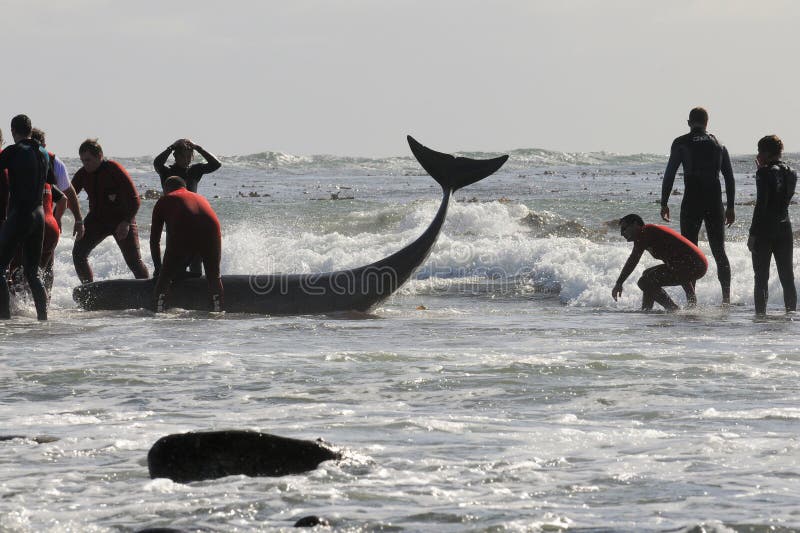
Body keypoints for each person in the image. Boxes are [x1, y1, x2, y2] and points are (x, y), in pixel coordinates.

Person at [660, 107, 734, 304]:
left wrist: (664, 202)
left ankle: (692, 301)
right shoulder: (719, 143)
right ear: (707, 122)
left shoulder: (681, 143)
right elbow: (729, 177)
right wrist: (731, 207)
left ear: (689, 122)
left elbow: (670, 173)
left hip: (692, 201)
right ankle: (726, 299)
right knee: (719, 251)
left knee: (689, 253)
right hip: (714, 200)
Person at [0, 115, 60, 320]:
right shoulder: (43, 152)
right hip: (39, 216)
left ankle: (4, 319)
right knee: (33, 272)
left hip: (20, 214)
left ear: (13, 131)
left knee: (0, 268)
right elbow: (51, 181)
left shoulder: (15, 150)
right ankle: (43, 318)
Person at [71, 139, 149, 283]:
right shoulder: (83, 174)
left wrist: (126, 222)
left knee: (134, 261)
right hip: (97, 220)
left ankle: (149, 290)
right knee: (78, 254)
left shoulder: (113, 169)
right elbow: (68, 194)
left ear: (99, 155)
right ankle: (90, 290)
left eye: (88, 160)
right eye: (82, 160)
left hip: (122, 220)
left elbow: (135, 199)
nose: (85, 164)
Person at [150, 176, 223, 312]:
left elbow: (155, 240)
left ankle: (158, 311)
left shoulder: (164, 200)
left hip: (184, 229)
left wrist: (158, 269)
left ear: (166, 189)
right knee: (214, 276)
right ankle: (218, 310)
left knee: (165, 279)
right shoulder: (200, 197)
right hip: (212, 230)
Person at [153, 138, 221, 276]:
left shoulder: (195, 171)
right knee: (172, 258)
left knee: (196, 264)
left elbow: (216, 164)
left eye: (189, 156)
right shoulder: (167, 172)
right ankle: (164, 277)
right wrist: (171, 147)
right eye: (183, 156)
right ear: (175, 156)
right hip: (173, 220)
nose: (187, 160)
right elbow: (157, 163)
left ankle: (196, 289)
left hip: (193, 220)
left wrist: (198, 148)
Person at [612, 214, 708, 311]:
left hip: (694, 264)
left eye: (624, 228)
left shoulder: (645, 232)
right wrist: (691, 297)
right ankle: (646, 309)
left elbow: (633, 260)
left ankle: (673, 309)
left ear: (635, 224)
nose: (622, 233)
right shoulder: (648, 234)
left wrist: (619, 283)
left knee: (644, 282)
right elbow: (675, 262)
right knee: (647, 275)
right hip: (693, 265)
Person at [748, 135, 797, 315]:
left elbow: (762, 205)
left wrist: (753, 234)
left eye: (760, 151)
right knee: (787, 278)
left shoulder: (763, 173)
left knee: (761, 278)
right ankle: (791, 317)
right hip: (785, 228)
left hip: (765, 231)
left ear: (766, 153)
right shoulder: (792, 172)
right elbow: (782, 201)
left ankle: (760, 317)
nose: (758, 154)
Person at [30, 128, 84, 238]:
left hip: (31, 221)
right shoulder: (17, 158)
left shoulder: (55, 162)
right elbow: (64, 198)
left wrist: (78, 220)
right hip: (47, 221)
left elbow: (69, 193)